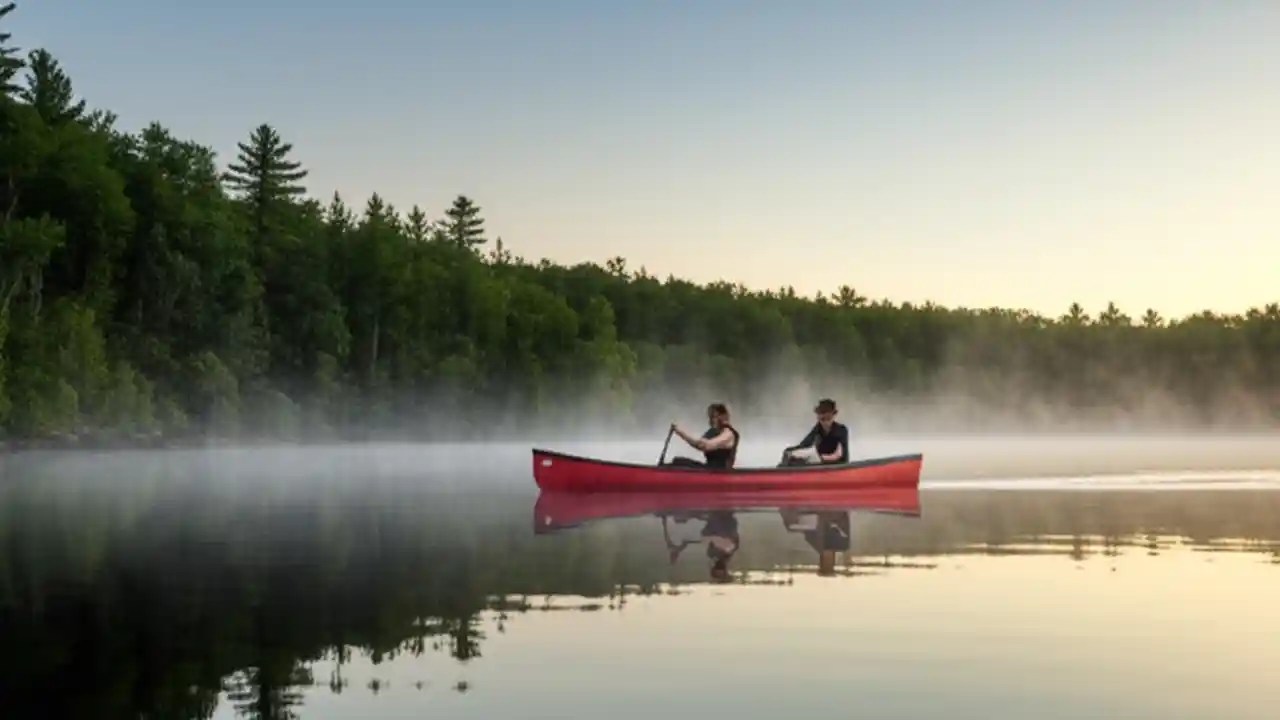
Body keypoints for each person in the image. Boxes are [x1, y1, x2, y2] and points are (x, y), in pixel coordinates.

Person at [669, 403, 740, 469]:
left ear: (723, 417)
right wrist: (678, 432)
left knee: (679, 462)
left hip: (720, 472)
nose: (711, 420)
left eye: (713, 417)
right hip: (709, 469)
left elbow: (705, 446)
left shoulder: (728, 434)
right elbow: (697, 444)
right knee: (677, 460)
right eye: (710, 417)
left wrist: (682, 433)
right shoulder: (712, 432)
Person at [780, 398, 850, 465]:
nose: (825, 422)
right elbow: (805, 445)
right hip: (821, 464)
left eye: (828, 418)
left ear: (833, 416)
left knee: (810, 458)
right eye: (822, 419)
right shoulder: (817, 429)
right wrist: (790, 451)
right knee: (790, 455)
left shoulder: (841, 430)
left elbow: (839, 455)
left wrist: (820, 458)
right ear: (818, 417)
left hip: (838, 466)